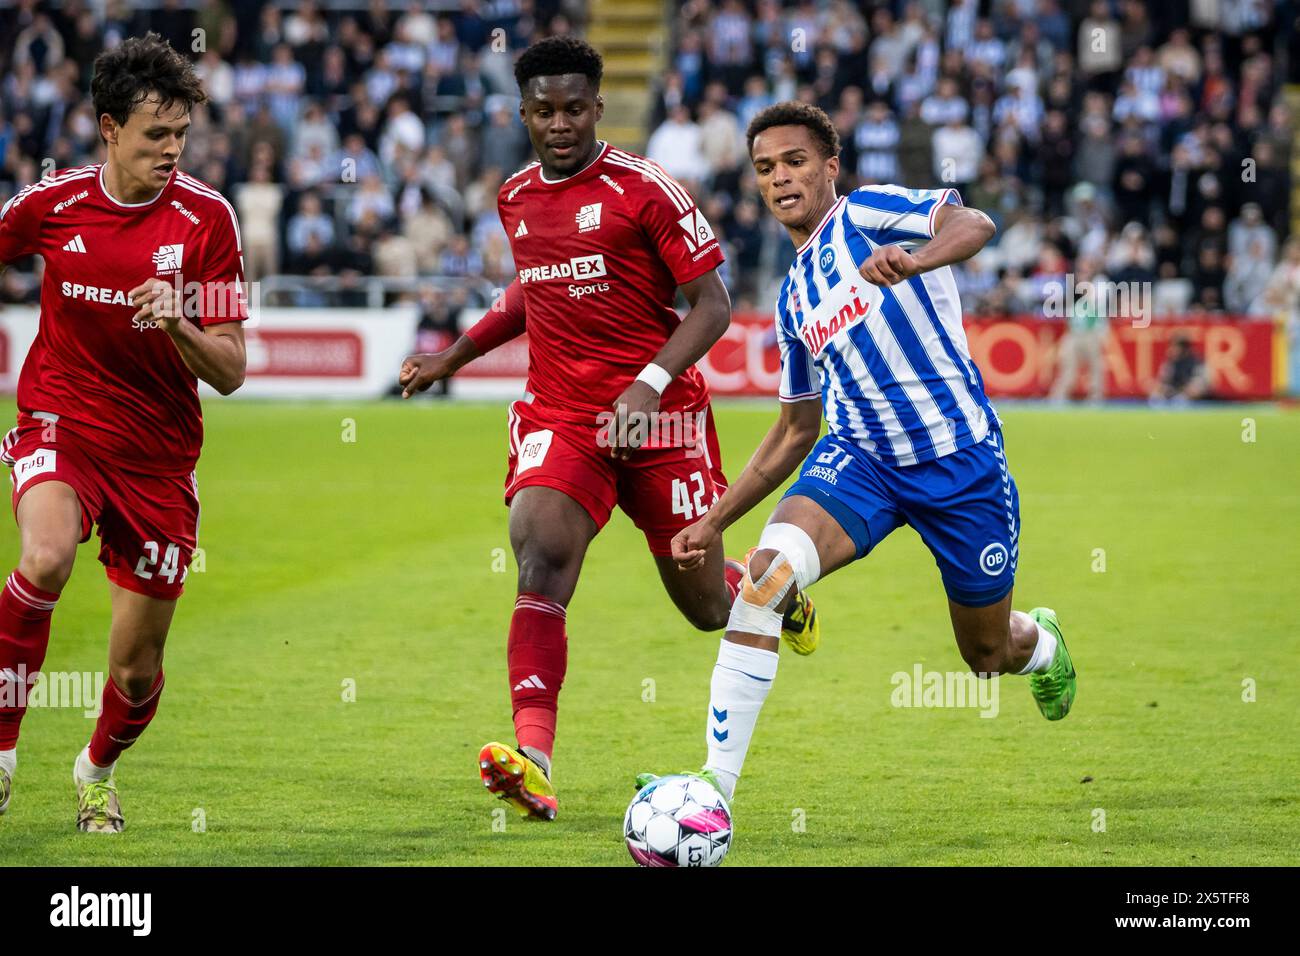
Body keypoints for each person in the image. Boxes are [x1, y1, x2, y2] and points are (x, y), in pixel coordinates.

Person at [397, 38, 817, 821]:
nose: (559, 124)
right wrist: (452, 355)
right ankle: (533, 755)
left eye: (573, 109)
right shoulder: (516, 196)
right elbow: (534, 288)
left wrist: (648, 385)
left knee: (704, 608)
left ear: (598, 107)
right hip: (564, 417)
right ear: (523, 114)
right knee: (540, 556)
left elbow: (714, 306)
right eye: (543, 111)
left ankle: (773, 594)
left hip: (663, 423)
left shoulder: (646, 190)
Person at [640, 102, 1076, 806]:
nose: (779, 178)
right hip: (861, 463)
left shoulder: (869, 214)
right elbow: (793, 430)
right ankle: (711, 792)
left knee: (987, 655)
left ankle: (1045, 647)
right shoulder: (791, 299)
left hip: (959, 464)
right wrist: (715, 520)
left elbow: (976, 224)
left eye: (795, 161)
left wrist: (916, 260)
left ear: (830, 166)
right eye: (764, 168)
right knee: (760, 583)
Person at [0, 34, 247, 832]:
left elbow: (233, 370)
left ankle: (96, 768)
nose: (172, 151)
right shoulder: (51, 205)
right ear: (109, 129)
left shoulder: (207, 220)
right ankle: (1, 755)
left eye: (181, 135)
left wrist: (178, 323)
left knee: (136, 674)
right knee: (43, 555)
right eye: (154, 136)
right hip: (61, 420)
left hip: (159, 457)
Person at [1151, 333, 1209, 403]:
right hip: (1173, 393)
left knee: (1181, 399)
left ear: (1184, 349)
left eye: (1175, 347)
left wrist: (1186, 390)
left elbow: (1200, 386)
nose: (1171, 350)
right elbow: (1163, 381)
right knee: (1156, 396)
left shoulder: (1197, 363)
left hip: (1191, 398)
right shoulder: (1170, 362)